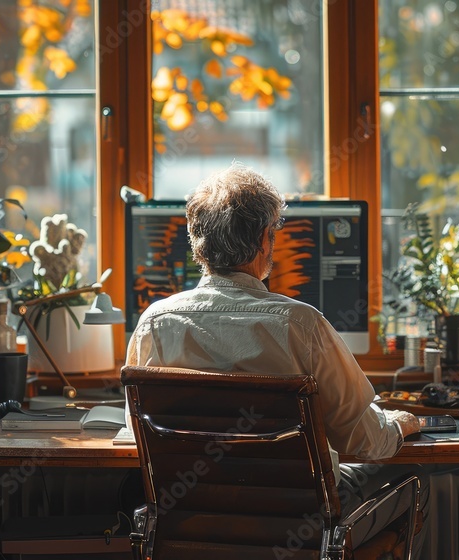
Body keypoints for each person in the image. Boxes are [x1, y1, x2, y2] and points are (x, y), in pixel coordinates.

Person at [124, 162, 423, 550]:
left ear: (197, 241)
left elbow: (139, 432)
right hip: (302, 527)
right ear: (265, 239)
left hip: (197, 523)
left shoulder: (155, 323)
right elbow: (365, 441)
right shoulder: (300, 325)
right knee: (414, 481)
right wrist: (401, 424)